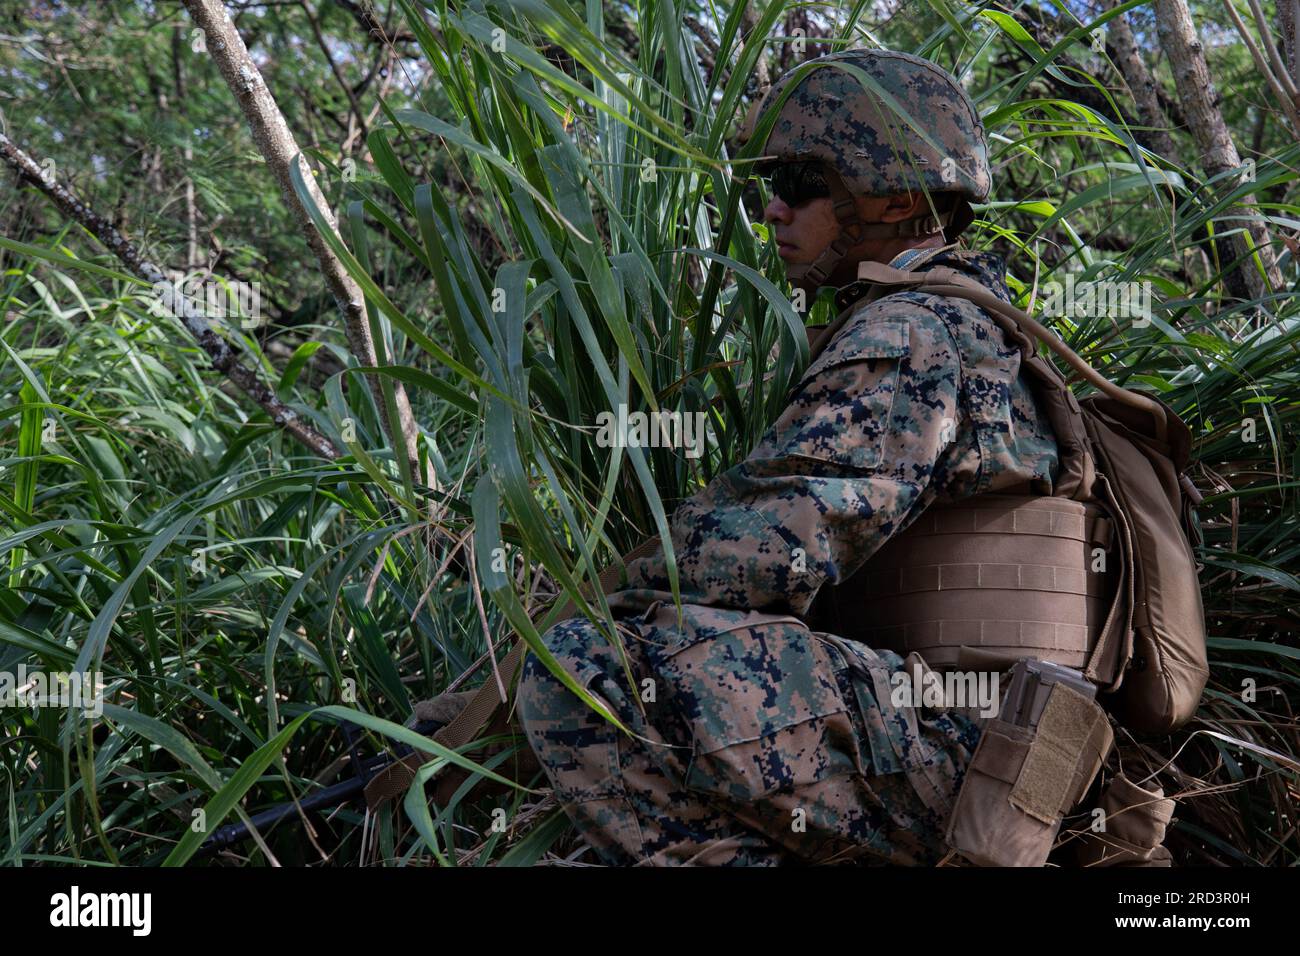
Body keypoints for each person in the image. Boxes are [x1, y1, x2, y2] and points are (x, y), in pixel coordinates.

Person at [515, 48, 1061, 865]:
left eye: (801, 183)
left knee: (586, 667)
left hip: (967, 744)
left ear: (899, 199)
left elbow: (766, 552)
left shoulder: (911, 332)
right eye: (769, 185)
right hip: (998, 740)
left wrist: (577, 609)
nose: (771, 211)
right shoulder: (978, 323)